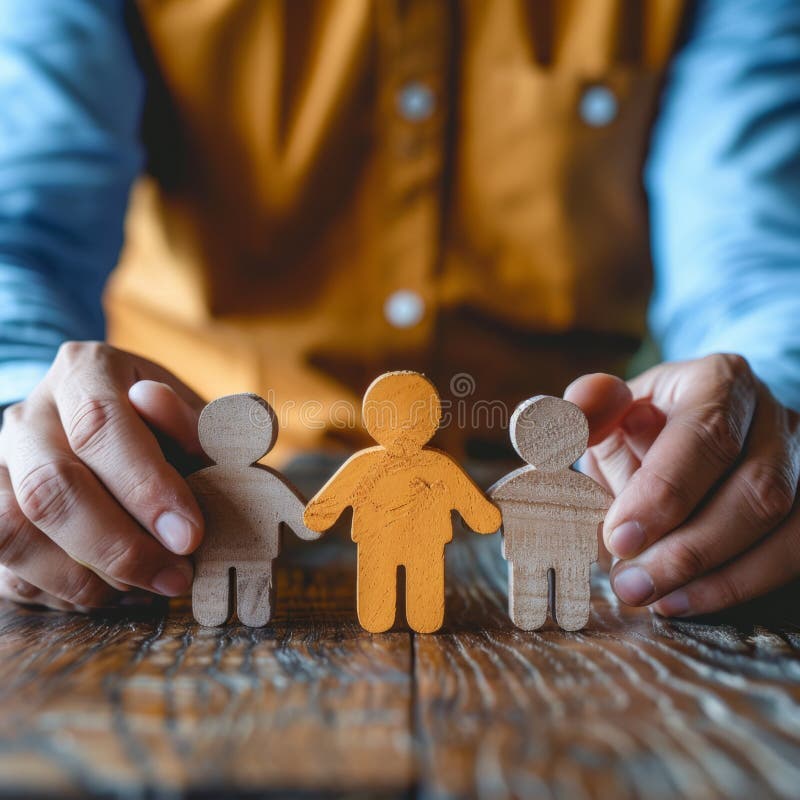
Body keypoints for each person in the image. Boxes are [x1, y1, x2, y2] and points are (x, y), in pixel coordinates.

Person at [0, 1, 798, 618]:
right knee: (330, 592)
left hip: (598, 518)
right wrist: (26, 416)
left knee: (459, 592)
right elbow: (23, 229)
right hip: (174, 496)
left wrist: (765, 425)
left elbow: (754, 256)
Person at [304, 372, 501, 633]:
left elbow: (478, 511)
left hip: (424, 542)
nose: (404, 429)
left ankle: (418, 616)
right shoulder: (365, 464)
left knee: (424, 608)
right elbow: (326, 505)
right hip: (377, 540)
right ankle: (390, 616)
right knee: (378, 608)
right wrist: (318, 517)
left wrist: (486, 518)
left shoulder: (438, 466)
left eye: (414, 418)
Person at [489, 396, 612, 631]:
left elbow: (610, 510)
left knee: (569, 586)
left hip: (570, 553)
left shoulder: (579, 487)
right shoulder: (521, 485)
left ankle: (565, 617)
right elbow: (489, 507)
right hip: (531, 550)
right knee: (533, 585)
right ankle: (537, 617)